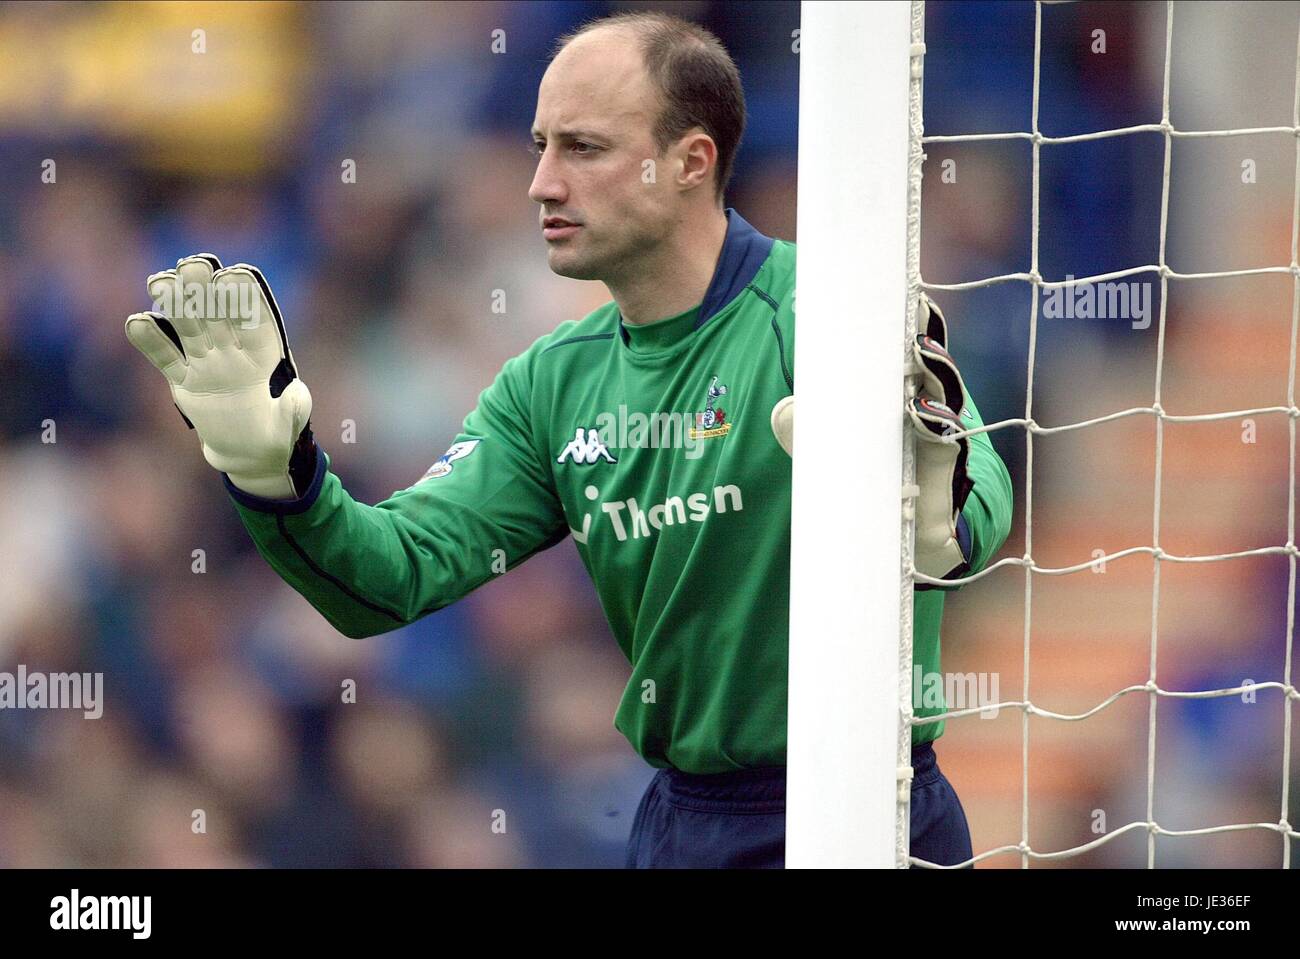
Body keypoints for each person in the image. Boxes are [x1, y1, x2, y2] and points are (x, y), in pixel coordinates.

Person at [124, 10, 1012, 868]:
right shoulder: (549, 383)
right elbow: (386, 579)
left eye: (583, 148)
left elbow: (983, 491)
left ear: (691, 162)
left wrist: (935, 524)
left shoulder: (826, 310)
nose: (543, 183)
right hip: (683, 822)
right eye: (540, 147)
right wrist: (274, 475)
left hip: (874, 808)